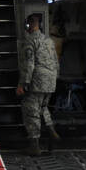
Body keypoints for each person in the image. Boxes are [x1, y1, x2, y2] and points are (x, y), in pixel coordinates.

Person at [17, 12, 60, 155]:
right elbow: (56, 61)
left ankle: (34, 146)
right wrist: (54, 79)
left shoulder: (30, 41)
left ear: (29, 25)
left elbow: (29, 65)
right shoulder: (49, 41)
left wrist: (23, 84)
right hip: (51, 81)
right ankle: (52, 131)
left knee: (31, 111)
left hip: (37, 81)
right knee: (43, 107)